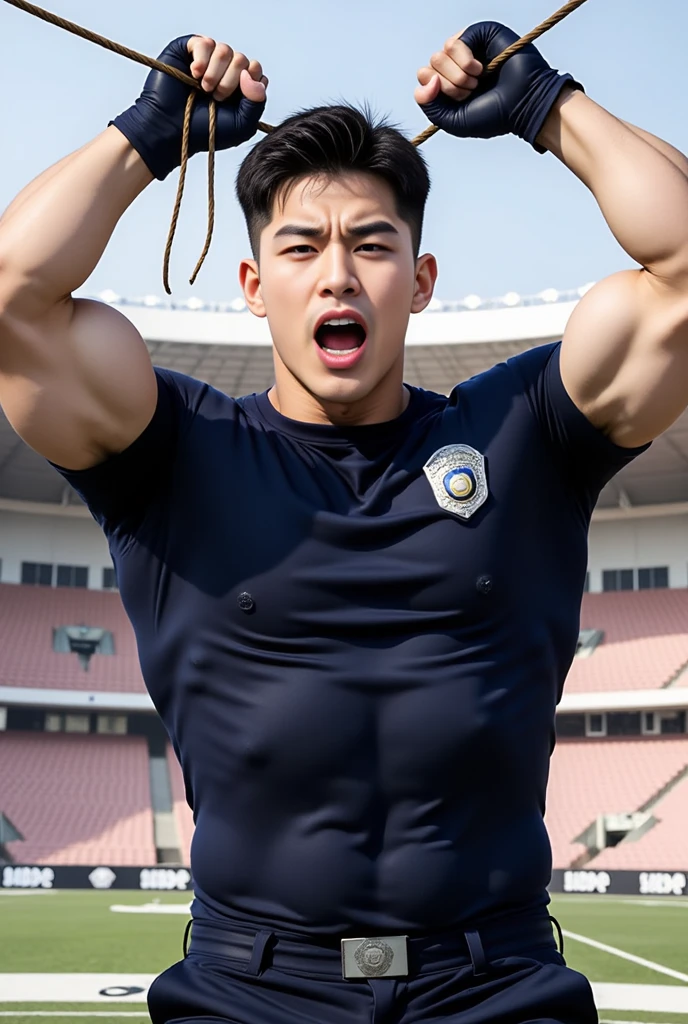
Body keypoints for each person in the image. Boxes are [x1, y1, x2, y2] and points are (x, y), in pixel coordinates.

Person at [1, 18, 688, 1024]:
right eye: (301, 246)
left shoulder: (524, 433)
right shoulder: (176, 452)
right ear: (253, 286)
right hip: (248, 989)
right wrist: (151, 132)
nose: (338, 274)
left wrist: (551, 105)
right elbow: (14, 302)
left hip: (496, 983)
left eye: (372, 244)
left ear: (420, 281)